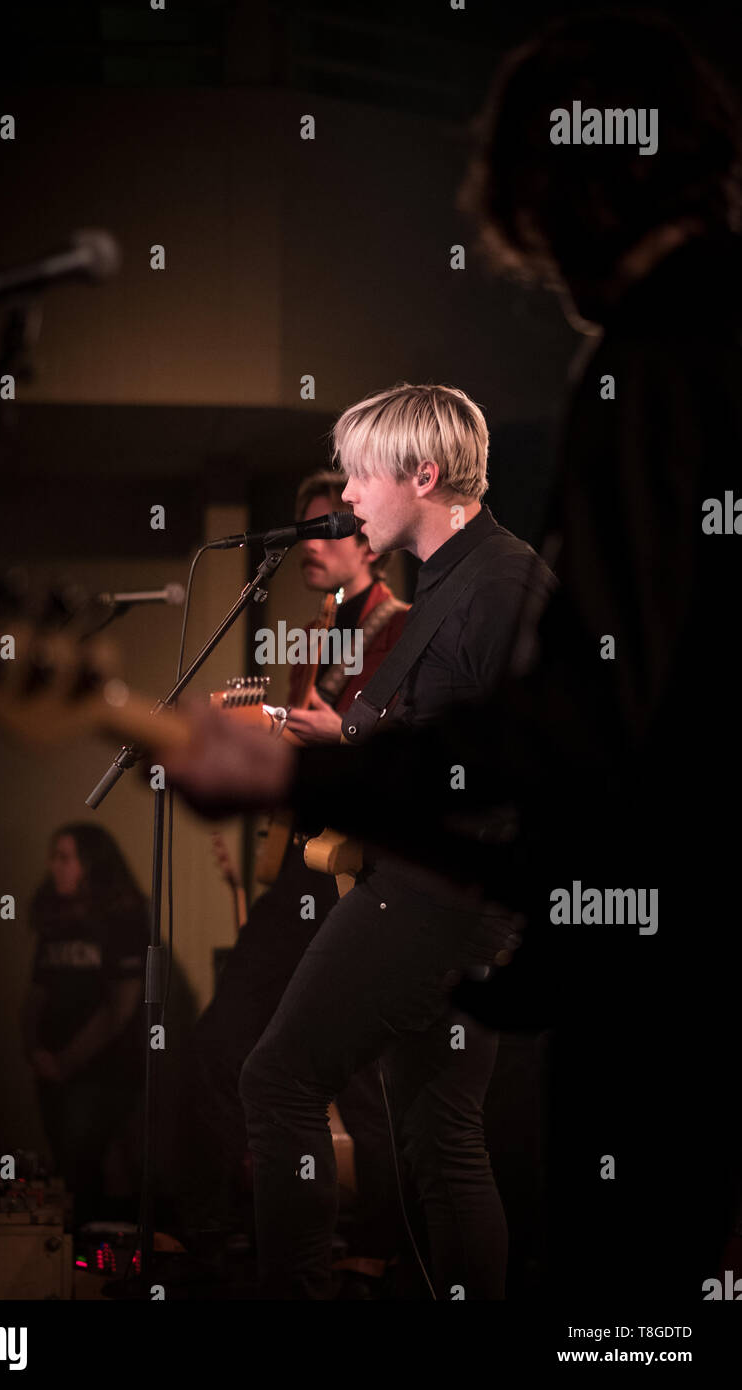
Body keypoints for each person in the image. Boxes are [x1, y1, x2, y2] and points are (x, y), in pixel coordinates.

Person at [160, 14, 742, 1300]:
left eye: (530, 215)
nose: (532, 257)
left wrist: (302, 775)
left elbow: (568, 728)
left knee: (311, 1090)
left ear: (584, 178)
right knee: (449, 1135)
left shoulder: (656, 361)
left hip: (580, 924)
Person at [185, 383, 555, 1299]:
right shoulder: (458, 576)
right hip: (449, 898)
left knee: (274, 1079)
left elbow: (524, 764)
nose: (345, 498)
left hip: (439, 900)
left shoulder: (502, 584)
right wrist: (344, 743)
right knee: (442, 1138)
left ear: (424, 475)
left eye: (358, 476)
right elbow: (446, 743)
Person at [180, 467, 412, 1288]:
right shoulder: (319, 632)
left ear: (364, 541)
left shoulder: (398, 628)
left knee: (354, 1073)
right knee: (224, 1047)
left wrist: (320, 736)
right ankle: (225, 1230)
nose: (310, 544)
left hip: (352, 873)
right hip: (301, 869)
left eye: (326, 528)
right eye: (303, 530)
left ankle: (384, 1243)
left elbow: (399, 759)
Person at [21, 823, 148, 1230]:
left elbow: (122, 1005)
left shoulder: (124, 916)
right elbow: (35, 994)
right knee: (67, 1169)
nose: (53, 866)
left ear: (91, 864)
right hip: (53, 1071)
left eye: (65, 857)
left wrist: (67, 1062)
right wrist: (36, 1051)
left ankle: (103, 1267)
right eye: (53, 856)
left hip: (101, 1072)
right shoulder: (56, 918)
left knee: (96, 1166)